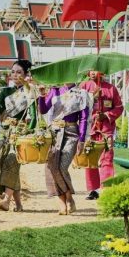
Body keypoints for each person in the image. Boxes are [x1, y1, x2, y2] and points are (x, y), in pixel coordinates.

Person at [0, 60, 38, 212]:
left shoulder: (30, 91)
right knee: (6, 164)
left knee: (12, 162)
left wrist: (29, 132)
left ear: (25, 75)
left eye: (19, 72)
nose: (15, 75)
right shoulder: (5, 92)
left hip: (20, 132)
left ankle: (6, 199)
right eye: (13, 72)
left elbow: (33, 114)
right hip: (6, 132)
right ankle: (19, 204)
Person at [39, 83, 89, 214]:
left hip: (72, 133)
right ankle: (64, 199)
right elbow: (43, 110)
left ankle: (68, 198)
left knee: (62, 166)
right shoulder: (55, 91)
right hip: (55, 132)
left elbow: (84, 118)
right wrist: (41, 95)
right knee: (53, 167)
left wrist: (82, 139)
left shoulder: (81, 93)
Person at [80, 70, 123, 200]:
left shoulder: (111, 88)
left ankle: (107, 190)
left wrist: (106, 115)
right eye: (91, 70)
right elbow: (77, 106)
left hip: (106, 130)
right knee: (90, 160)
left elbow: (119, 108)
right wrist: (92, 98)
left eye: (96, 69)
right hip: (90, 129)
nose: (93, 73)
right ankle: (94, 190)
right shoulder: (84, 86)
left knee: (107, 159)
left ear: (102, 72)